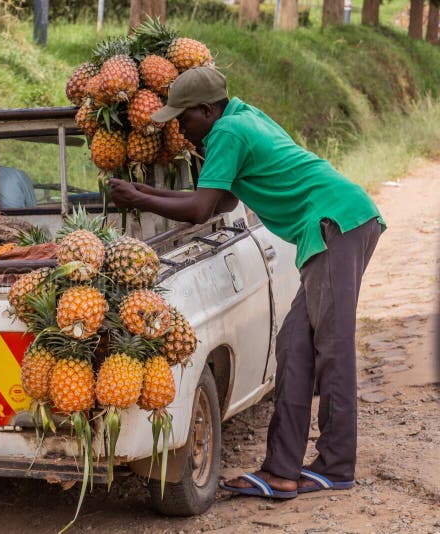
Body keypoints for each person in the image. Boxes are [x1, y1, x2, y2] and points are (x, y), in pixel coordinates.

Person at [108, 66, 385, 499]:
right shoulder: (241, 117)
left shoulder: (227, 134)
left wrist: (138, 197)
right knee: (294, 346)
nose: (180, 131)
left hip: (336, 224)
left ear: (206, 109)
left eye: (184, 119)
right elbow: (221, 200)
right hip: (335, 225)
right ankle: (281, 471)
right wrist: (140, 193)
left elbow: (201, 210)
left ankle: (336, 465)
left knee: (332, 350)